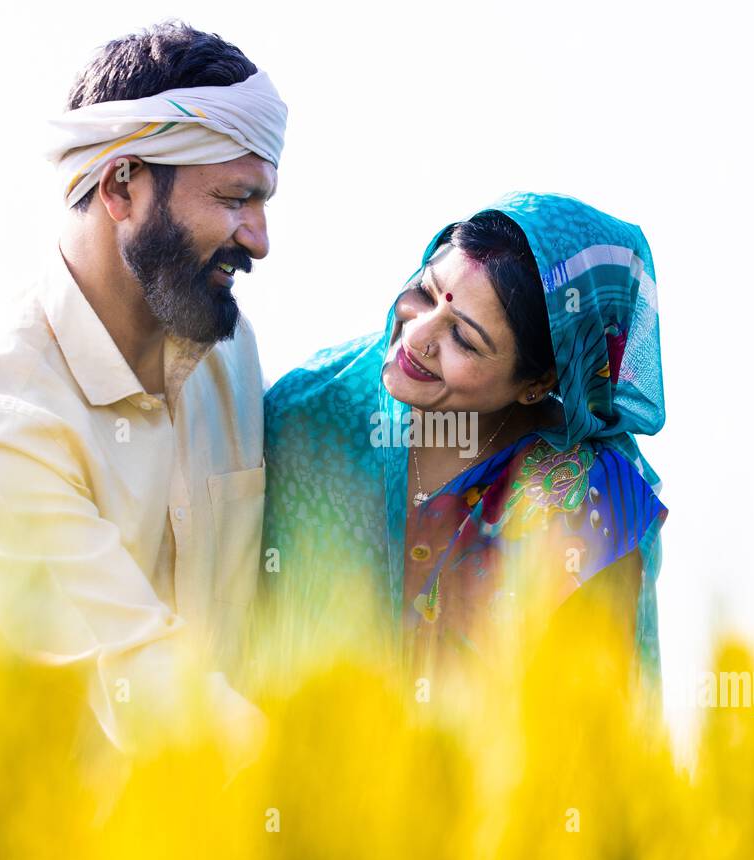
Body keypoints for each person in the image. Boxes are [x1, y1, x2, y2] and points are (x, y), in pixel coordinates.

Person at [0, 21, 285, 760]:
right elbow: (142, 685)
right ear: (121, 186)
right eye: (235, 198)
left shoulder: (229, 354)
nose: (259, 239)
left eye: (264, 202)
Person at [261, 192, 667, 693]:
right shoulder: (311, 412)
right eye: (427, 293)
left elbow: (589, 727)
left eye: (465, 340)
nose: (418, 337)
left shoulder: (589, 499)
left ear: (536, 382)